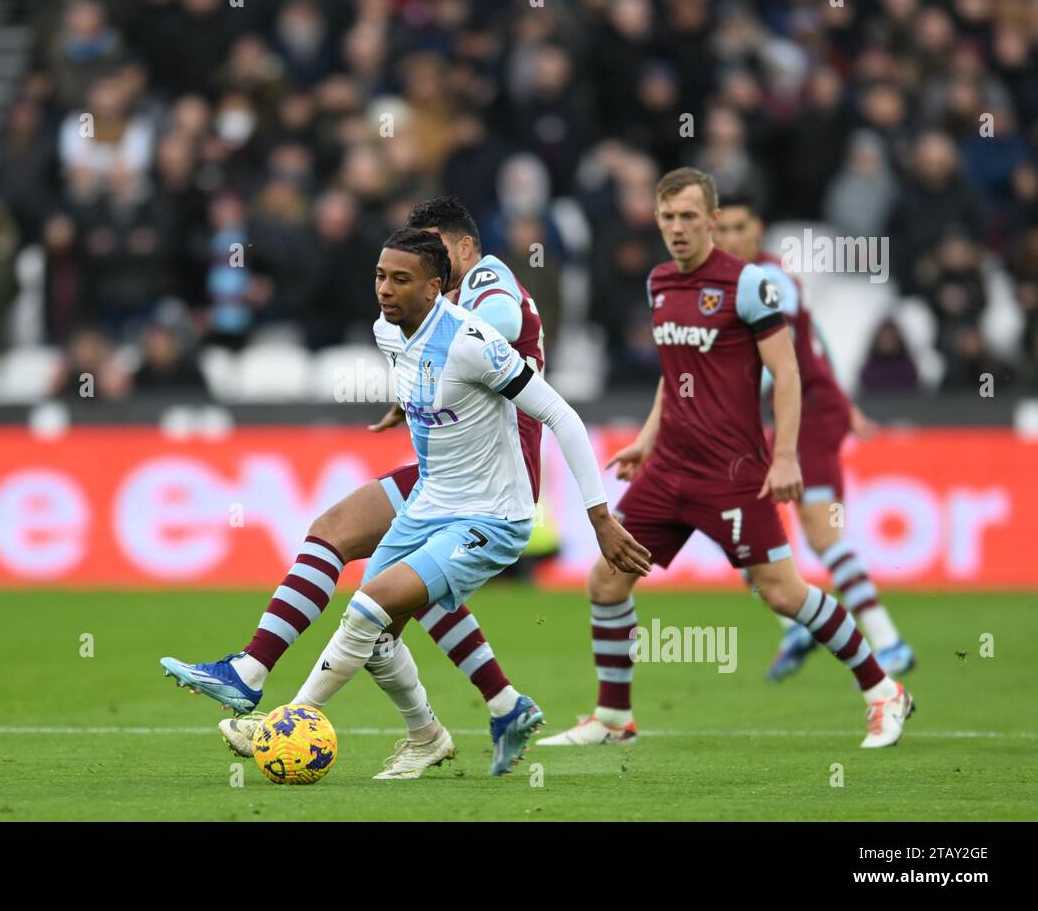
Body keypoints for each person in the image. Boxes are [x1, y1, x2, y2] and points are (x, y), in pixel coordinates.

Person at [164, 226, 648, 778]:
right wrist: (410, 400)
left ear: (438, 281)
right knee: (378, 630)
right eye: (380, 277)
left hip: (491, 507)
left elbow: (558, 409)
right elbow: (422, 368)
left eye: (400, 279)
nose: (385, 289)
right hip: (430, 497)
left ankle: (284, 715)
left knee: (368, 607)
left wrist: (599, 516)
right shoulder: (388, 331)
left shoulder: (474, 332)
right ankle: (433, 732)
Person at [538, 168, 914, 750]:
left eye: (689, 216)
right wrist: (647, 437)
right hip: (668, 469)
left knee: (784, 593)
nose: (677, 228)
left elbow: (786, 373)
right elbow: (675, 373)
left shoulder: (749, 285)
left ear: (712, 220)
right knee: (607, 581)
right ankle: (613, 718)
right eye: (668, 217)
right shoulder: (660, 282)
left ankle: (884, 690)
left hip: (732, 473)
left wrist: (784, 457)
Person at [713, 196, 915, 680]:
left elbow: (777, 356)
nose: (730, 238)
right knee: (728, 514)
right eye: (722, 228)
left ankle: (889, 643)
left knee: (822, 533)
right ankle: (796, 626)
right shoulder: (741, 281)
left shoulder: (769, 280)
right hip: (792, 414)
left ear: (758, 230)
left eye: (740, 227)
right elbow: (813, 335)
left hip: (811, 415)